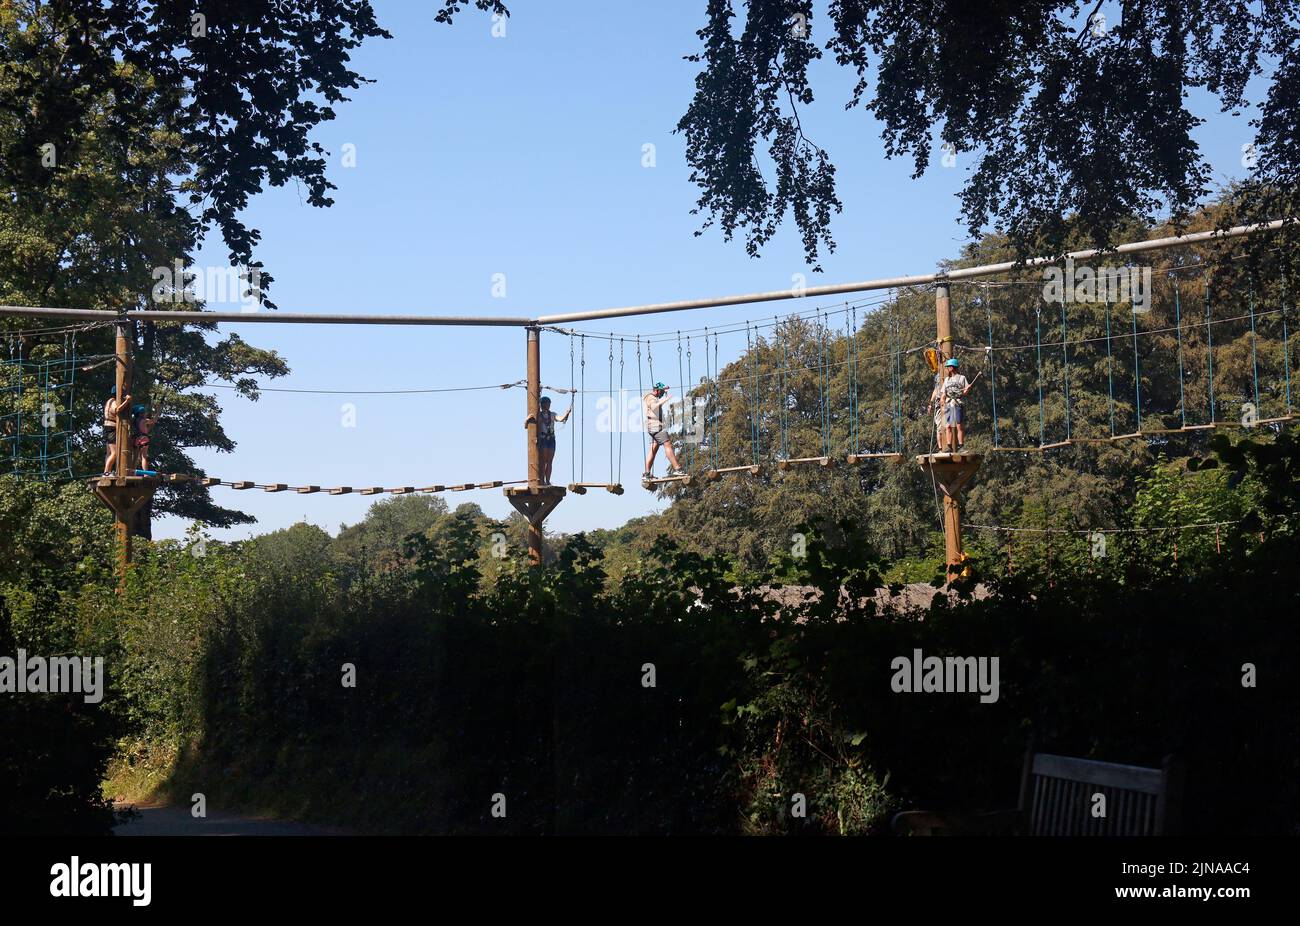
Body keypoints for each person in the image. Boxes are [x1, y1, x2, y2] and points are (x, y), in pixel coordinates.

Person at [525, 396, 571, 486]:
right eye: (545, 404)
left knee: (549, 461)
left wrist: (567, 414)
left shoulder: (552, 414)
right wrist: (527, 419)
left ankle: (547, 480)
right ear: (541, 405)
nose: (546, 406)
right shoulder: (538, 415)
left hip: (551, 439)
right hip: (543, 439)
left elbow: (561, 419)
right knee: (543, 461)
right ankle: (542, 480)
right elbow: (526, 426)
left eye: (548, 404)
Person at [642, 381, 685, 478]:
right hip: (656, 426)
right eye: (661, 392)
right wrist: (665, 399)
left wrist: (664, 392)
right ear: (657, 391)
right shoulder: (651, 398)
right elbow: (654, 407)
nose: (662, 394)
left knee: (653, 449)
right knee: (667, 444)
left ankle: (647, 473)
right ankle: (677, 469)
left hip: (651, 427)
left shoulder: (650, 396)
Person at [937, 358, 975, 451]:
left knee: (959, 425)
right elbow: (944, 393)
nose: (947, 369)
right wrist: (942, 401)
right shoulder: (946, 380)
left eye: (948, 367)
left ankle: (961, 446)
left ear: (953, 367)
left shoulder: (962, 378)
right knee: (948, 426)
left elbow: (964, 392)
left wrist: (968, 388)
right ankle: (949, 446)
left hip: (958, 403)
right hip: (949, 404)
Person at [102, 386, 131, 475]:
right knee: (115, 453)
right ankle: (106, 472)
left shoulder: (109, 401)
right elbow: (117, 410)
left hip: (107, 427)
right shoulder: (113, 401)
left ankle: (106, 472)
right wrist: (127, 401)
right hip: (111, 428)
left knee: (109, 453)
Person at [130, 404, 159, 473]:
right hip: (143, 439)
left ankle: (131, 472)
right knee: (144, 457)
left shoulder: (134, 421)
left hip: (135, 439)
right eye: (143, 413)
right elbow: (154, 420)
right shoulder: (144, 420)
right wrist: (157, 412)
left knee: (135, 458)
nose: (145, 414)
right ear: (140, 414)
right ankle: (145, 473)